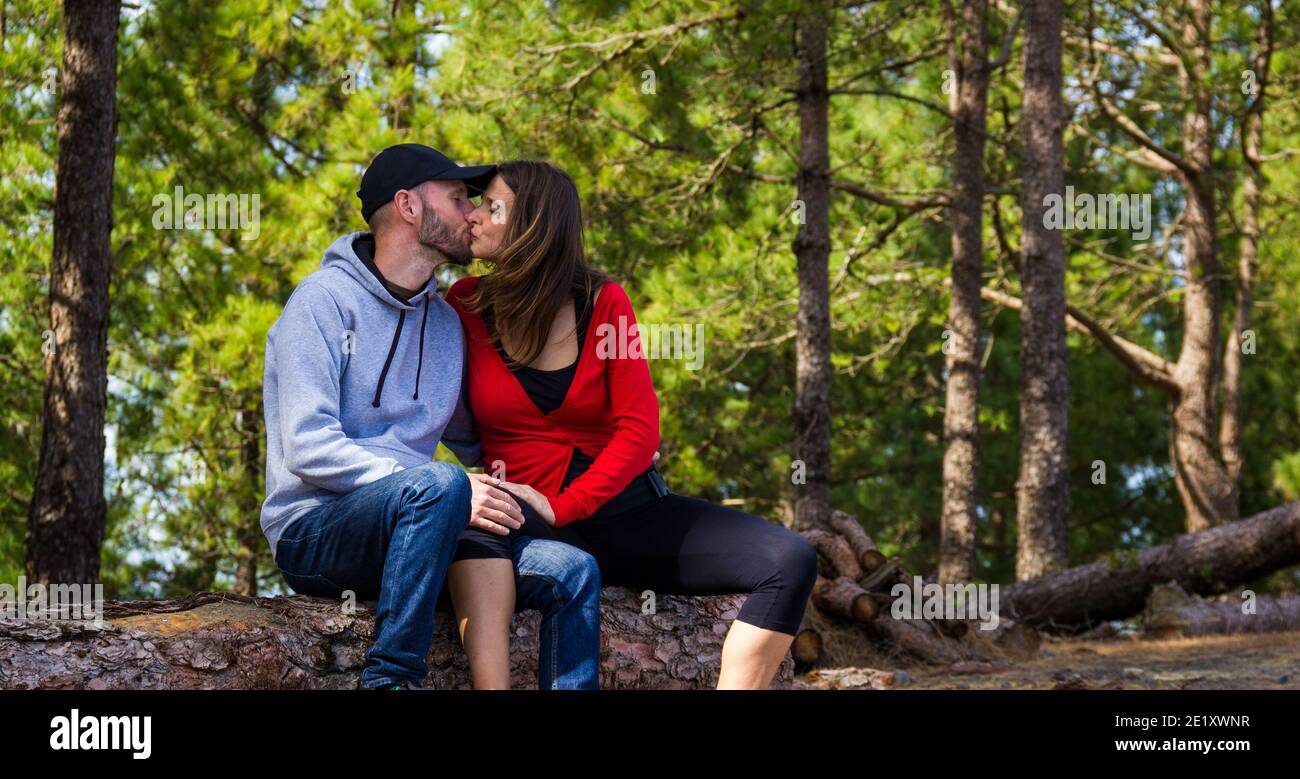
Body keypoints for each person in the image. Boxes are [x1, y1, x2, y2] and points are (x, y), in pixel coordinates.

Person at [444, 160, 819, 689]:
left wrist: (567, 503)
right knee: (466, 522)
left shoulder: (602, 302)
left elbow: (640, 431)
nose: (475, 216)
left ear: (534, 223)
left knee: (790, 559)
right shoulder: (460, 305)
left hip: (626, 514)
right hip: (525, 518)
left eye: (492, 206)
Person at [260, 144, 601, 690]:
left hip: (422, 529)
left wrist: (595, 452)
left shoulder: (446, 323)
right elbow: (307, 447)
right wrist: (440, 488)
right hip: (316, 532)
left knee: (571, 571)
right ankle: (392, 680)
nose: (474, 213)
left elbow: (481, 443)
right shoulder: (321, 303)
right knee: (440, 484)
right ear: (409, 207)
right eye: (459, 197)